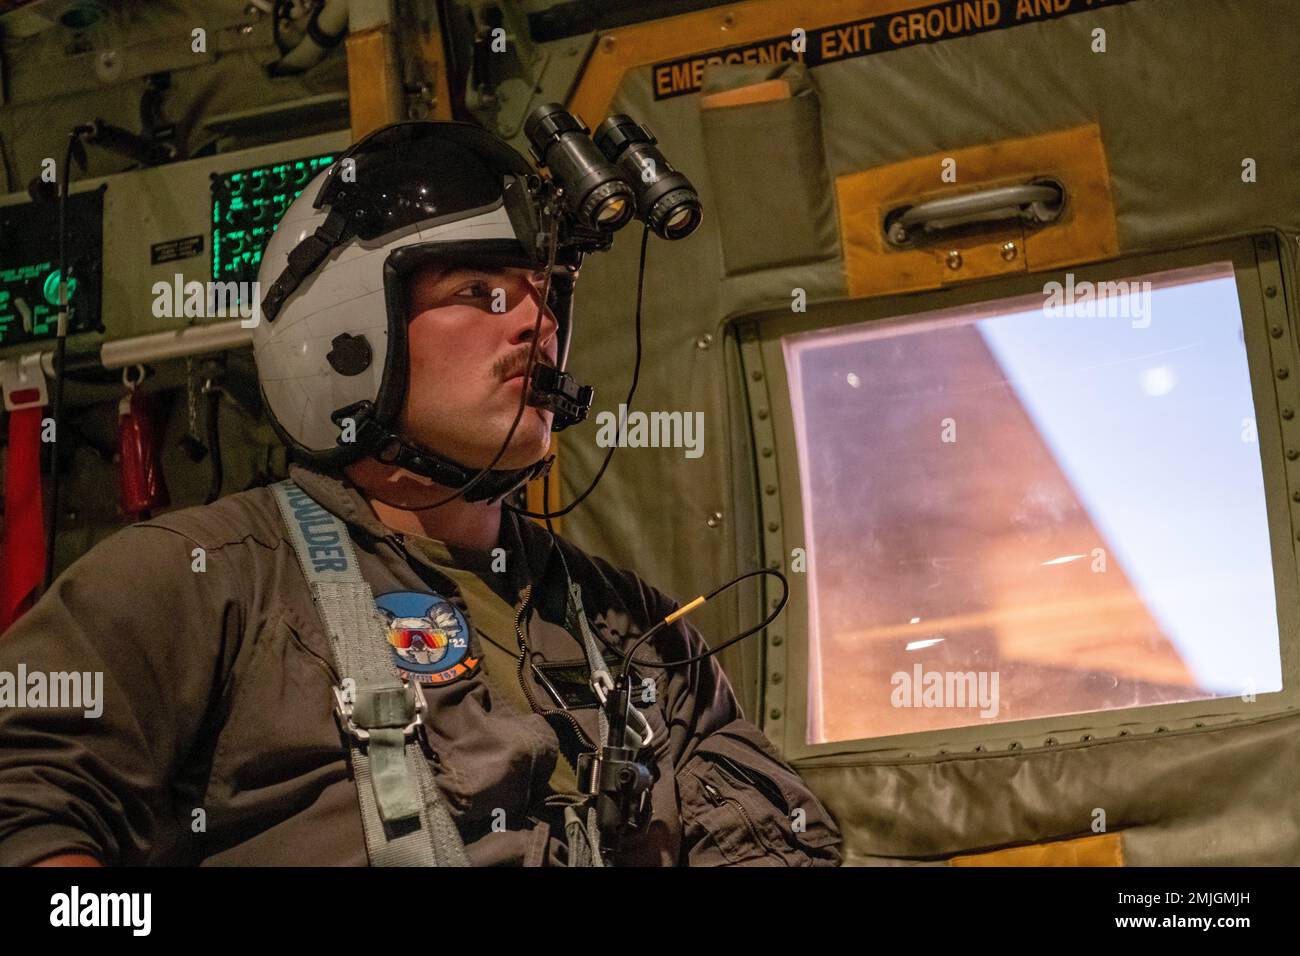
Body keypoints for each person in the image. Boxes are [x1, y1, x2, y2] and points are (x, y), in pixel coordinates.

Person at [0, 121, 842, 867]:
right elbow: (21, 808)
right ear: (342, 337)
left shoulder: (641, 635)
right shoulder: (195, 583)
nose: (538, 326)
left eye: (547, 296)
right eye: (482, 294)